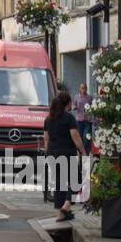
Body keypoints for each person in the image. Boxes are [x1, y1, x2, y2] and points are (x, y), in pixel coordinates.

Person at [44, 91, 85, 222]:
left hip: (52, 153)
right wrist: (83, 151)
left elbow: (46, 138)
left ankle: (60, 213)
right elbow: (75, 136)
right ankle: (66, 206)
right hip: (67, 152)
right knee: (76, 180)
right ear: (67, 104)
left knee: (59, 183)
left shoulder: (48, 119)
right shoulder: (69, 118)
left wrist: (48, 153)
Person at [71, 84, 94, 153]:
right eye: (82, 88)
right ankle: (79, 153)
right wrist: (74, 107)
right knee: (79, 138)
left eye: (84, 88)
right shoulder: (77, 97)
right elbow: (73, 105)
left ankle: (86, 154)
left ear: (86, 89)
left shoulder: (89, 97)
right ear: (79, 89)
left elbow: (93, 107)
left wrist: (91, 110)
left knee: (86, 137)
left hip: (87, 120)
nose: (83, 90)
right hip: (79, 120)